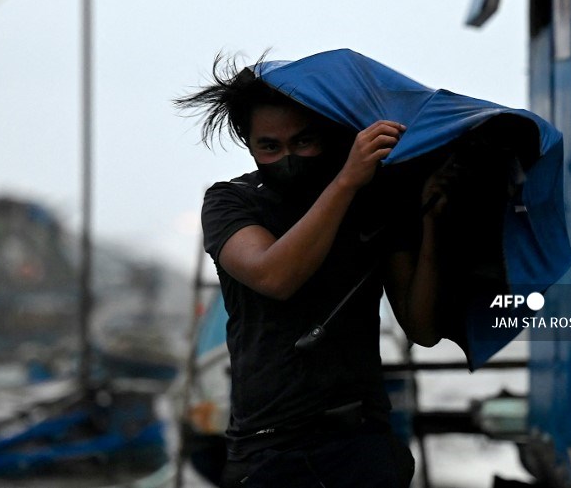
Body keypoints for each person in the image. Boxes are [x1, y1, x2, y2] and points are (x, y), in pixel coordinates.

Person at [175, 55, 449, 488]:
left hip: (362, 441)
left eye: (304, 142)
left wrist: (431, 223)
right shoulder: (232, 203)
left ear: (329, 134)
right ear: (249, 145)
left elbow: (423, 327)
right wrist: (345, 182)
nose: (288, 158)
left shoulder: (373, 203)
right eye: (270, 147)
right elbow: (274, 276)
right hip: (271, 448)